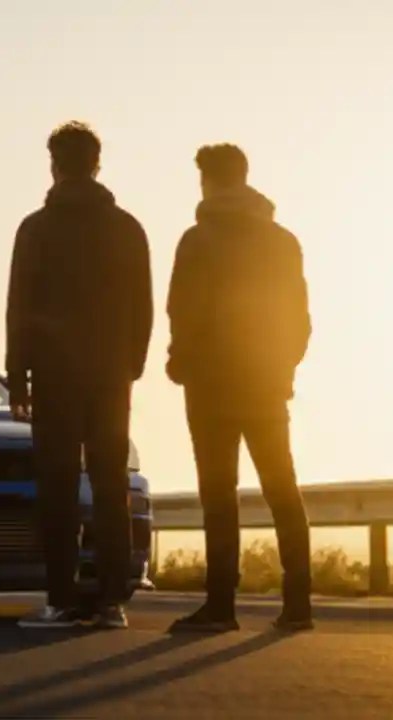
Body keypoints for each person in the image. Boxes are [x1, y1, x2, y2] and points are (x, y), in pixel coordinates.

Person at [5, 121, 154, 629]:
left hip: (53, 374)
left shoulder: (37, 228)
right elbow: (144, 307)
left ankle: (62, 597)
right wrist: (131, 364)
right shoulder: (127, 227)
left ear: (54, 165)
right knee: (111, 483)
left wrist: (16, 378)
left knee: (59, 486)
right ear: (96, 165)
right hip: (112, 375)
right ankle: (112, 602)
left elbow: (19, 306)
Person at [165, 143, 314, 632]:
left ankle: (221, 607)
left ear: (208, 182)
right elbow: (299, 320)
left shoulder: (196, 240)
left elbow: (181, 311)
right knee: (282, 490)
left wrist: (179, 362)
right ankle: (297, 606)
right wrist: (282, 370)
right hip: (265, 383)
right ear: (245, 178)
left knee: (218, 496)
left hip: (209, 388)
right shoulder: (282, 241)